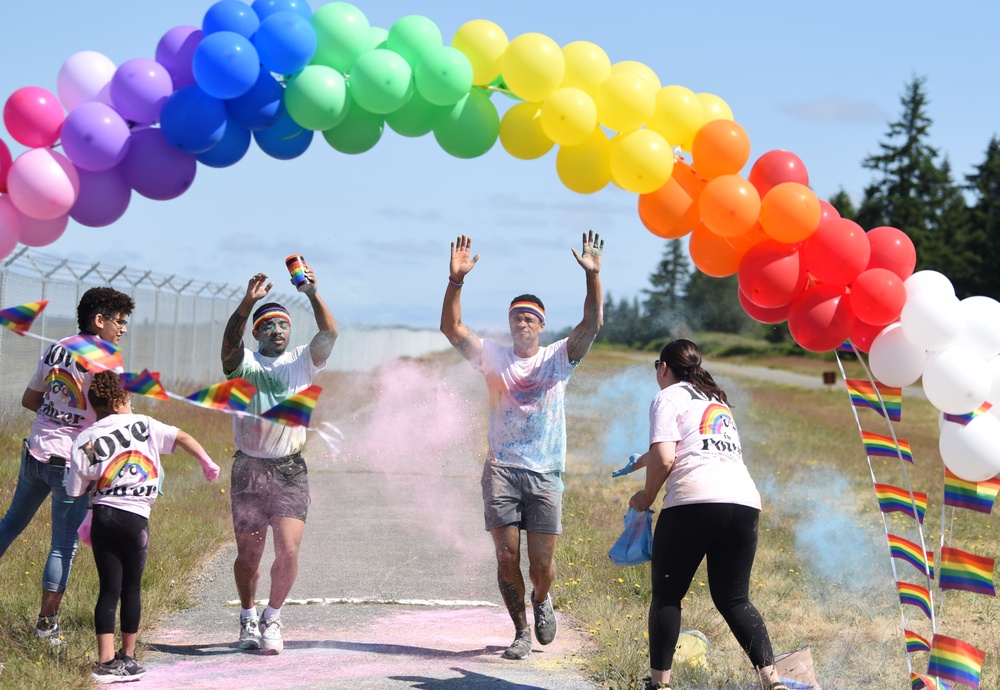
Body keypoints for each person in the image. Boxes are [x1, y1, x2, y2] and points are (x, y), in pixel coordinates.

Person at [440, 231, 604, 660]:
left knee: (541, 566)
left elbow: (592, 325)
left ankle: (542, 598)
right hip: (501, 469)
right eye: (516, 318)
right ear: (509, 323)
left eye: (530, 318)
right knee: (506, 556)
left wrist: (593, 278)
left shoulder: (558, 359)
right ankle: (519, 631)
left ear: (542, 324)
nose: (522, 323)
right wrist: (455, 280)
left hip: (545, 471)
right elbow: (451, 328)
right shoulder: (493, 357)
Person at [617, 339, 786, 690]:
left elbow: (667, 458)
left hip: (694, 503)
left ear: (663, 367)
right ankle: (774, 681)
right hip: (743, 503)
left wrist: (646, 496)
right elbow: (693, 445)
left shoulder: (667, 396)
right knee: (735, 599)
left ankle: (659, 684)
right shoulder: (716, 399)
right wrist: (641, 459)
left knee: (668, 595)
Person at [0, 286, 134, 643]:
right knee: (62, 545)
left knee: (11, 523)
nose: (122, 330)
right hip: (70, 463)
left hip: (36, 452)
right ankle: (46, 627)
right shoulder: (106, 356)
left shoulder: (56, 346)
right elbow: (118, 415)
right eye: (119, 322)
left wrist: (60, 414)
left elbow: (31, 399)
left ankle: (47, 624)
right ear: (99, 320)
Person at [67, 371, 220, 683]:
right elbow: (182, 437)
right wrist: (207, 462)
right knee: (132, 588)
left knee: (109, 588)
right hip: (137, 520)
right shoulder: (145, 425)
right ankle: (129, 657)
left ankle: (106, 662)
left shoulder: (88, 438)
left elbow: (75, 489)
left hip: (105, 516)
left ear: (95, 404)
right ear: (122, 400)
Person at [220, 266, 337, 654]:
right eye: (268, 326)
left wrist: (312, 294)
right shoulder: (246, 365)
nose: (277, 331)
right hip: (249, 470)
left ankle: (272, 617)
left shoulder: (303, 361)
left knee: (288, 550)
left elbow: (329, 334)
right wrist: (247, 304)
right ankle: (247, 616)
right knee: (249, 556)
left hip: (289, 469)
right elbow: (229, 345)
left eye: (282, 326)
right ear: (257, 333)